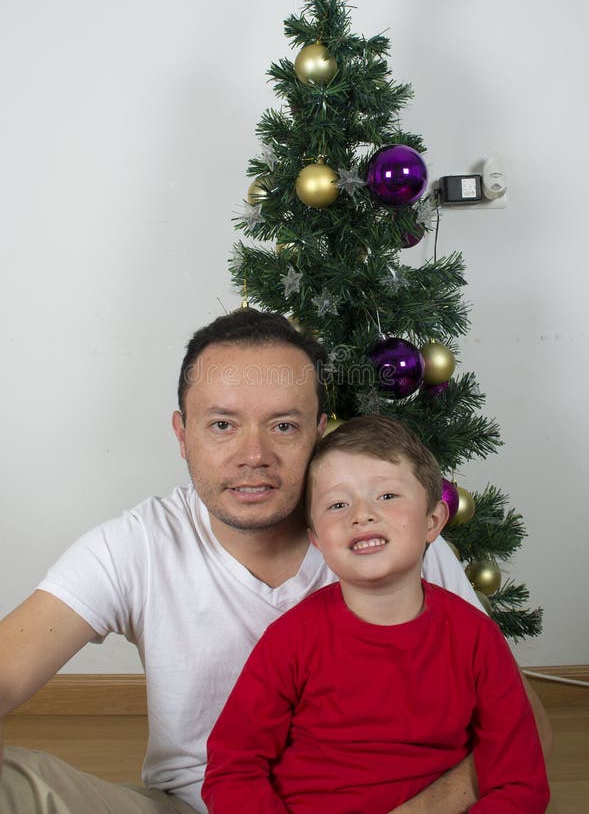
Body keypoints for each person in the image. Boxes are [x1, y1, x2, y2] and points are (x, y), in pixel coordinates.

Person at [0, 308, 550, 814]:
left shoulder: (397, 544)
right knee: (16, 781)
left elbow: (526, 730)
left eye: (283, 425)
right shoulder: (136, 544)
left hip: (398, 803)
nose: (253, 455)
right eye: (222, 424)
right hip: (193, 805)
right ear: (182, 434)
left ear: (318, 431)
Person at [203, 416, 550, 813]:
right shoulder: (290, 640)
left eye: (386, 496)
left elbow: (520, 783)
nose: (361, 514)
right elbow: (233, 768)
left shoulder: (477, 639)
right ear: (317, 539)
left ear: (432, 521)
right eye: (338, 504)